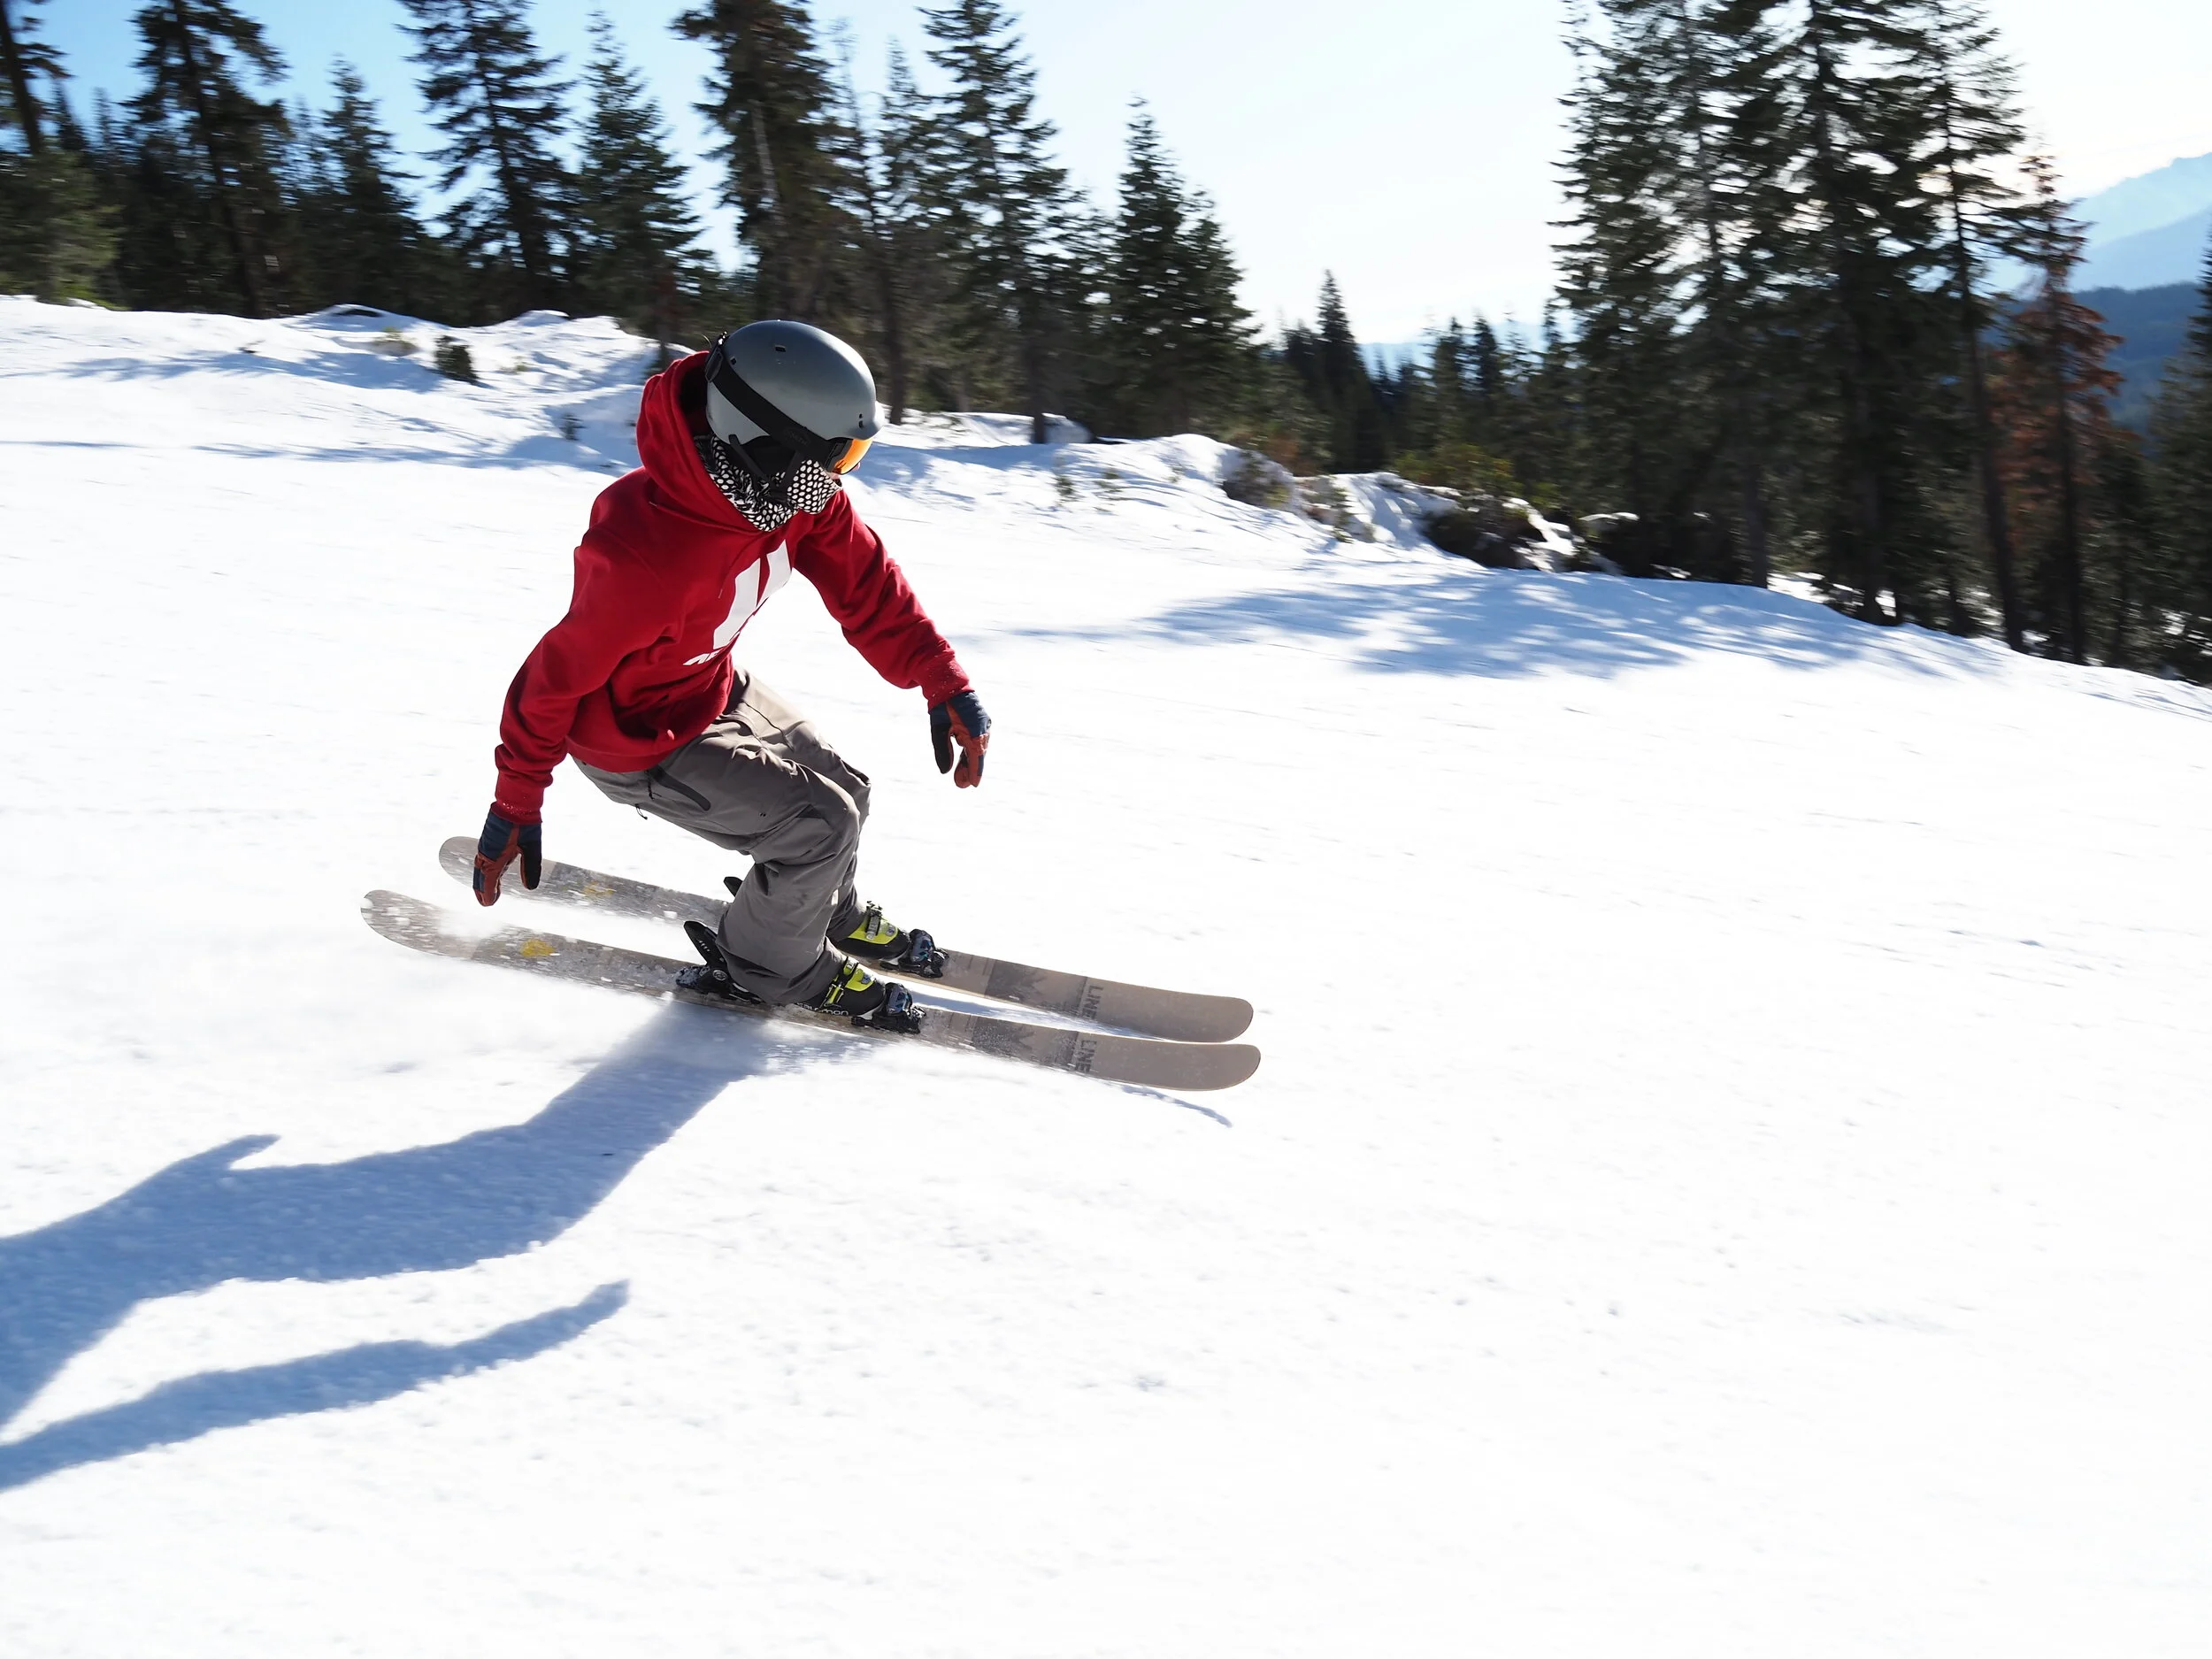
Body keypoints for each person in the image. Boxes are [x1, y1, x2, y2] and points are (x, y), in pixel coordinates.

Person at [469, 319, 989, 1029]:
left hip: (710, 688)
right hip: (636, 741)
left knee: (849, 791)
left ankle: (819, 909)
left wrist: (943, 680)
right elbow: (551, 679)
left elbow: (867, 582)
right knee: (820, 825)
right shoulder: (644, 555)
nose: (842, 474)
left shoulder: (786, 494)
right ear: (767, 444)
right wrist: (516, 800)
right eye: (841, 452)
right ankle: (767, 967)